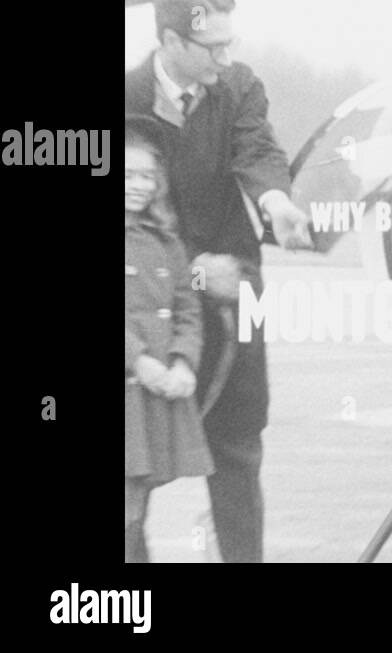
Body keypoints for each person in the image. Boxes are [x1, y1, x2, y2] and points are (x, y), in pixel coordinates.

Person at [125, 0, 312, 562]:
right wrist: (194, 271)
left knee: (237, 449)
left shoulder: (239, 86)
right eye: (213, 46)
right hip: (150, 300)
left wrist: (276, 202)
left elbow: (256, 149)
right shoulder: (128, 99)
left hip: (236, 294)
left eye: (229, 42)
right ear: (171, 41)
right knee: (136, 462)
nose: (225, 56)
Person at [125, 115, 214, 563]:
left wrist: (183, 362)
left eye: (146, 177)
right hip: (130, 385)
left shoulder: (168, 242)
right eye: (127, 176)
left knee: (137, 505)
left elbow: (188, 307)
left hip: (155, 396)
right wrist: (138, 359)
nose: (138, 186)